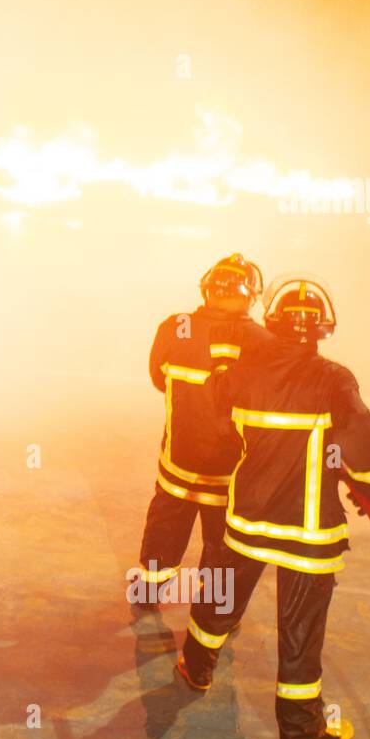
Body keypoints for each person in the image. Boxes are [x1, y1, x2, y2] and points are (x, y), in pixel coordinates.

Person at [176, 276, 370, 739]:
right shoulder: (334, 378)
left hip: (248, 518)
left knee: (222, 597)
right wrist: (369, 483)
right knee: (300, 629)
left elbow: (217, 401)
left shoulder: (245, 373)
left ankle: (196, 665)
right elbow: (362, 438)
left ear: (271, 323)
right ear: (323, 329)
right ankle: (300, 725)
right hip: (307, 531)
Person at [130, 253, 271, 609]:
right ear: (250, 294)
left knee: (165, 528)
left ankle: (148, 596)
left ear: (208, 288)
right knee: (222, 545)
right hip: (230, 475)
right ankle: (212, 613)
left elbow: (158, 379)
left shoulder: (175, 327)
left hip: (177, 462)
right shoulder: (261, 341)